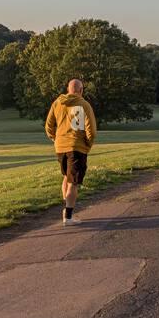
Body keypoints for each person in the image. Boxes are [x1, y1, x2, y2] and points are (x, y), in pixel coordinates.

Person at [44, 78, 97, 225]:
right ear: (81, 90)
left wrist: (55, 138)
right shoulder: (84, 104)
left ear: (68, 89)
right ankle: (68, 217)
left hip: (60, 147)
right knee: (73, 182)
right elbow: (91, 130)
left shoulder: (57, 103)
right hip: (77, 147)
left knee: (67, 178)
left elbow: (48, 126)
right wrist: (88, 145)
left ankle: (67, 209)